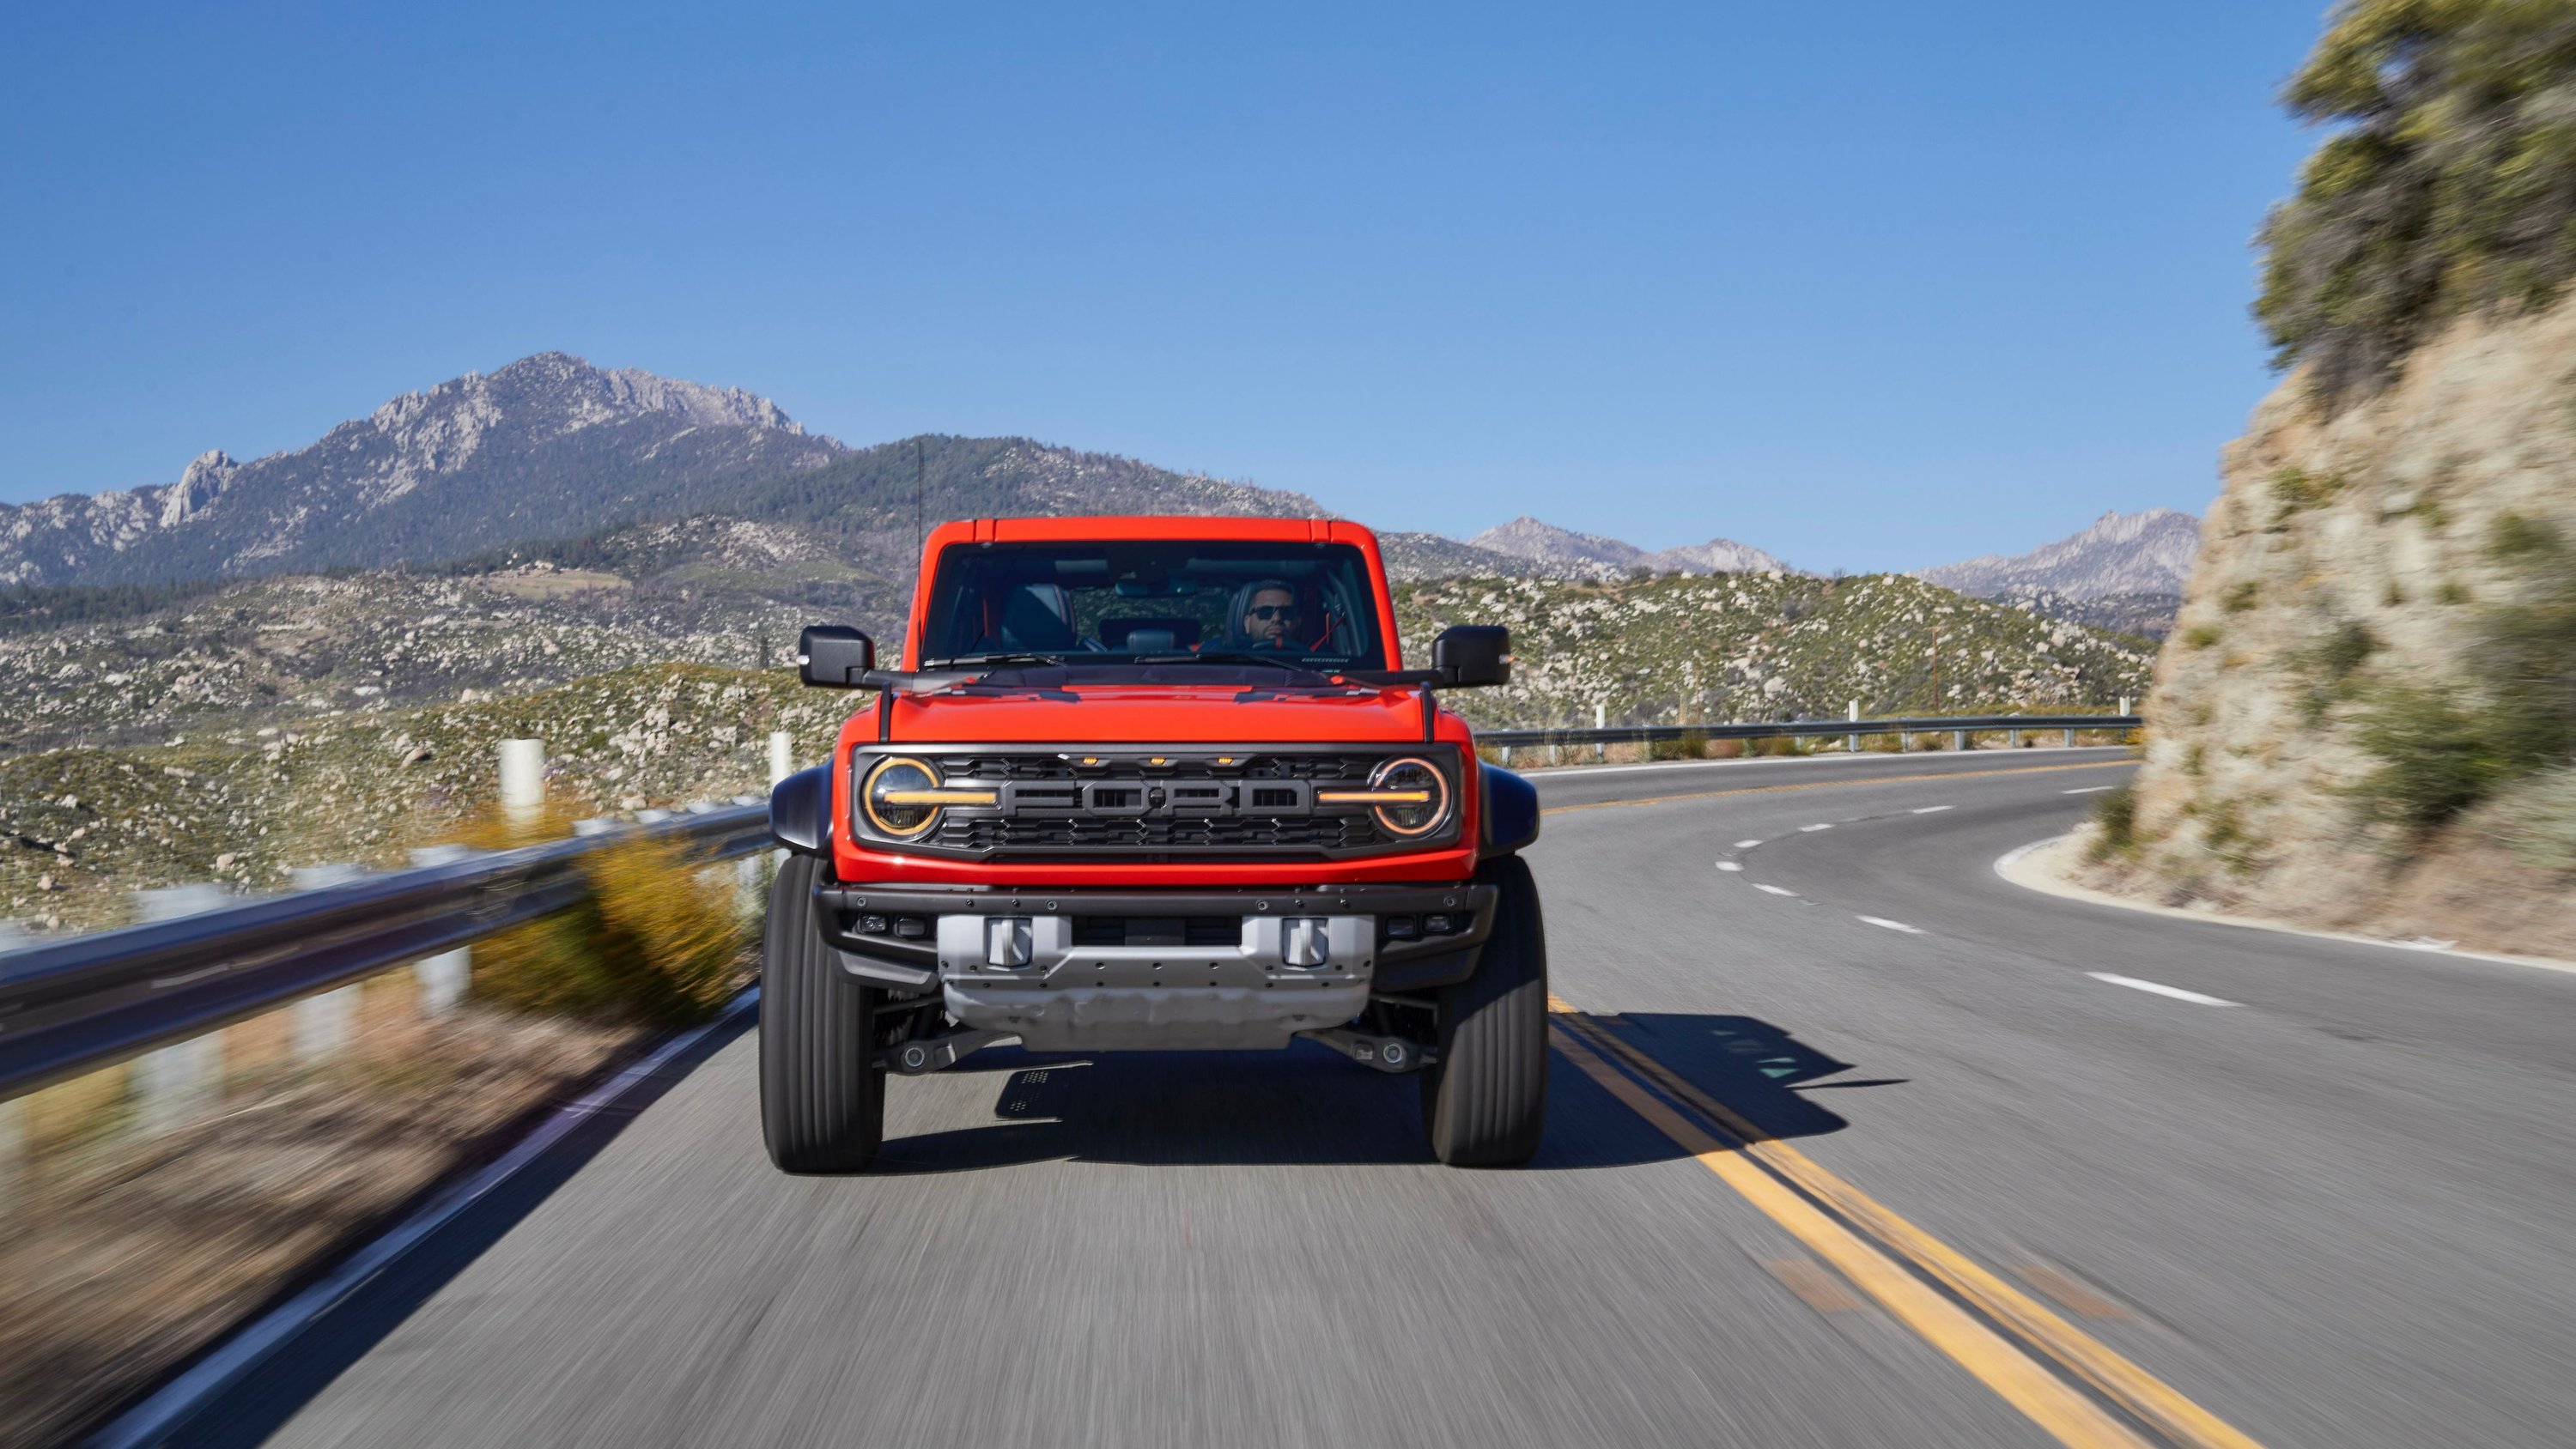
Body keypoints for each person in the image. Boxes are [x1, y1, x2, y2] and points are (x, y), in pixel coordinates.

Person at [1233, 580, 1302, 650]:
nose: (1277, 618)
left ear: (1298, 622)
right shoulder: (1231, 655)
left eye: (1287, 612)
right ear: (1247, 623)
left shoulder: (1308, 655)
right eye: (1265, 611)